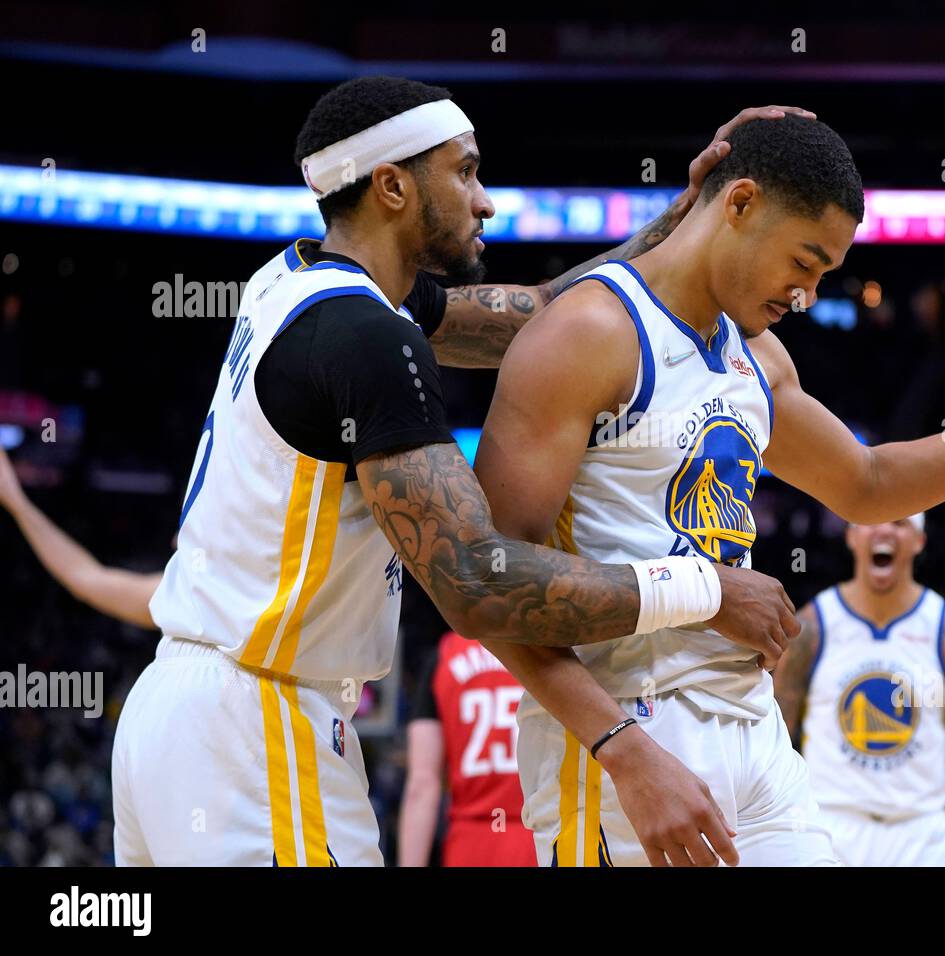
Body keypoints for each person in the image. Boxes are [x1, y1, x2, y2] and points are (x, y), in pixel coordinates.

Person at [473, 112, 945, 866]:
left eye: (825, 274)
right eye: (805, 261)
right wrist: (624, 747)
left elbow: (870, 480)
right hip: (626, 724)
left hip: (751, 726)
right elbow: (488, 581)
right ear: (740, 203)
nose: (810, 293)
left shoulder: (756, 354)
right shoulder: (588, 330)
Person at [111, 76, 799, 867]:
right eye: (464, 172)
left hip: (177, 718)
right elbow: (477, 580)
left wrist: (689, 219)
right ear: (394, 186)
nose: (486, 201)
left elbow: (546, 311)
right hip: (259, 726)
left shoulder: (296, 284)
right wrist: (706, 589)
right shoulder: (369, 337)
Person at [773, 513, 945, 866]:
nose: (884, 529)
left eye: (900, 522)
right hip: (828, 827)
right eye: (873, 520)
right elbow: (774, 748)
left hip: (921, 835)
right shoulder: (810, 628)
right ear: (852, 535)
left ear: (919, 541)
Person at [398, 631, 532, 867]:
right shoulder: (548, 649)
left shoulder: (443, 656)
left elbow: (422, 784)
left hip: (469, 841)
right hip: (539, 835)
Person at [0, 445, 160, 628]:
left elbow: (84, 576)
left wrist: (15, 500)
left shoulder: (189, 595)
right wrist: (14, 498)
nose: (176, 539)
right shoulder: (178, 590)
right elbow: (84, 575)